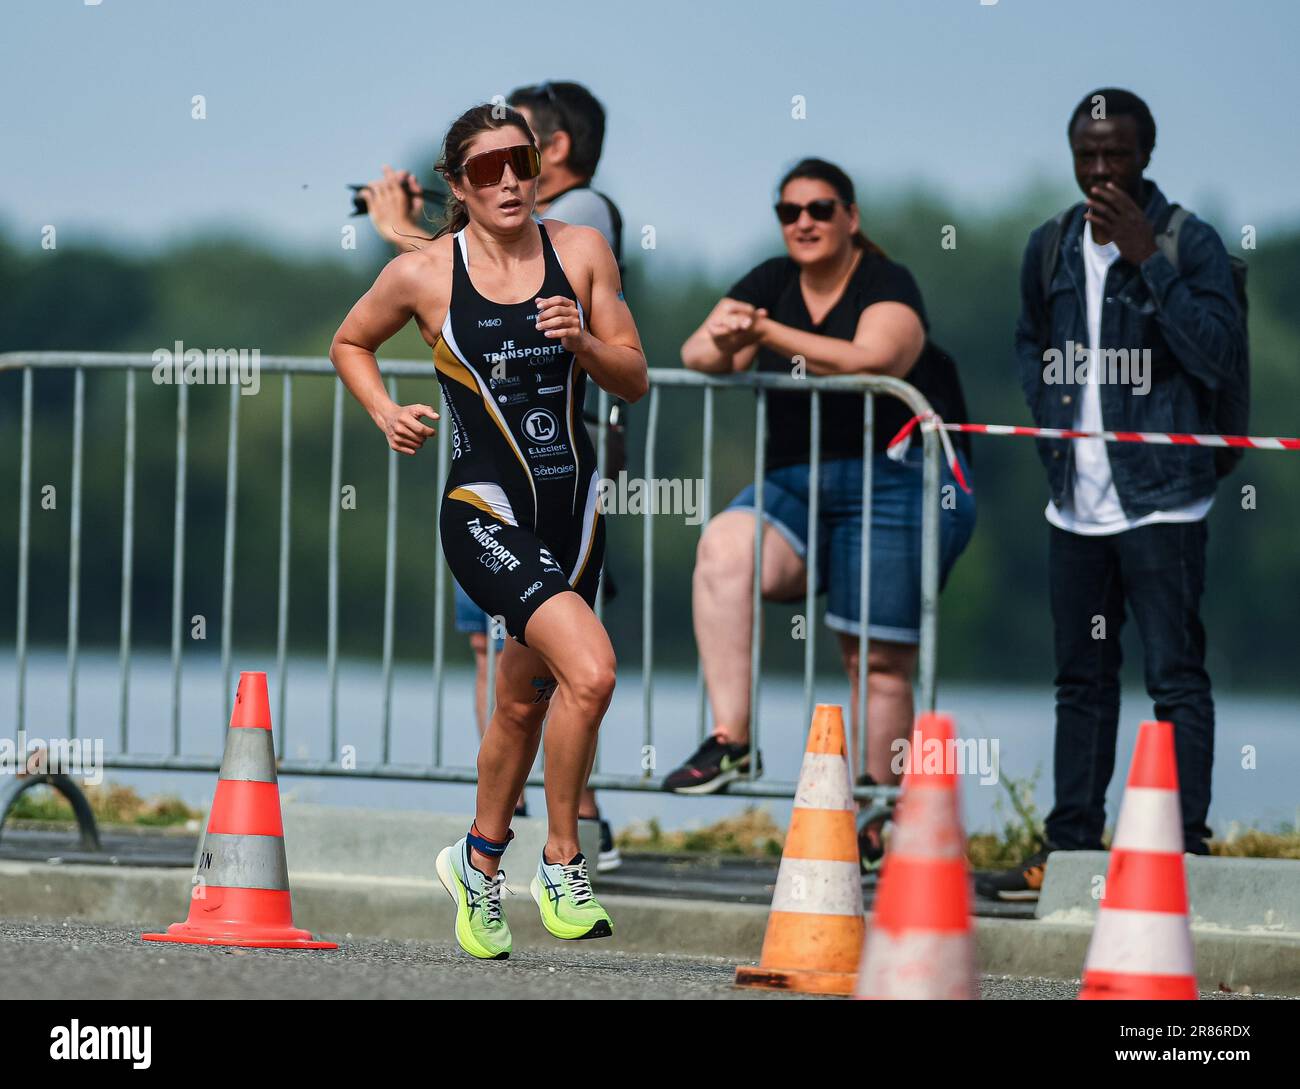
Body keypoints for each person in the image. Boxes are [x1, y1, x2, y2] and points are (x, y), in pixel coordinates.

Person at [330, 104, 648, 959]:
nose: (507, 179)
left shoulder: (580, 252)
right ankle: (561, 859)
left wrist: (583, 339)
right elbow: (350, 341)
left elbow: (637, 376)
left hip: (574, 516)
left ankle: (475, 863)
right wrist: (385, 409)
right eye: (484, 168)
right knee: (593, 669)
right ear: (456, 184)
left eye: (521, 161)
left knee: (520, 698)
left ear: (541, 166)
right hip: (485, 514)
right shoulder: (427, 272)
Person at [663, 157, 976, 868]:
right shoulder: (769, 279)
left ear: (851, 217)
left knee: (876, 656)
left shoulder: (887, 283)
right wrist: (731, 335)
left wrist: (765, 334)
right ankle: (731, 741)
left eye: (820, 208)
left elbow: (876, 357)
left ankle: (873, 812)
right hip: (797, 483)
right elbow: (694, 352)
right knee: (723, 547)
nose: (802, 221)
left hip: (892, 478)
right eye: (789, 211)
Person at [982, 89, 1246, 901]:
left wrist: (1148, 261)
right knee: (1080, 680)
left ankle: (1184, 853)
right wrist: (1048, 417)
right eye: (1088, 154)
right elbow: (1031, 340)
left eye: (1117, 154)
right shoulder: (1052, 244)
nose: (1101, 170)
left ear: (1146, 155)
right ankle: (1067, 852)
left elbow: (1215, 357)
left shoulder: (1185, 240)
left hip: (1164, 499)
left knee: (1174, 677)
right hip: (1075, 500)